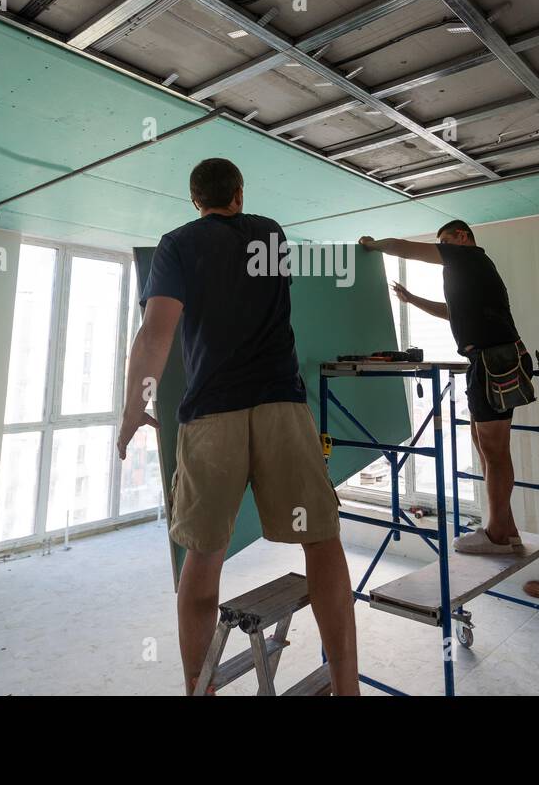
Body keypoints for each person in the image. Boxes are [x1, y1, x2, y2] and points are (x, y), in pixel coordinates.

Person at [118, 157, 359, 695]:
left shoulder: (177, 244)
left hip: (212, 416)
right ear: (240, 194)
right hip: (281, 406)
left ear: (194, 200)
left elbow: (156, 333)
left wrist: (135, 407)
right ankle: (347, 686)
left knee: (203, 557)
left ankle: (197, 688)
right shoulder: (270, 234)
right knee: (321, 541)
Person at [358, 220, 531, 555]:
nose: (443, 247)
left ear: (461, 237)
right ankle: (506, 529)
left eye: (445, 241)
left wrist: (375, 243)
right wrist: (410, 298)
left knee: (494, 450)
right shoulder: (473, 273)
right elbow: (452, 312)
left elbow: (408, 248)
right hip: (490, 360)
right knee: (485, 446)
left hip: (492, 360)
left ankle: (496, 535)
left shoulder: (470, 258)